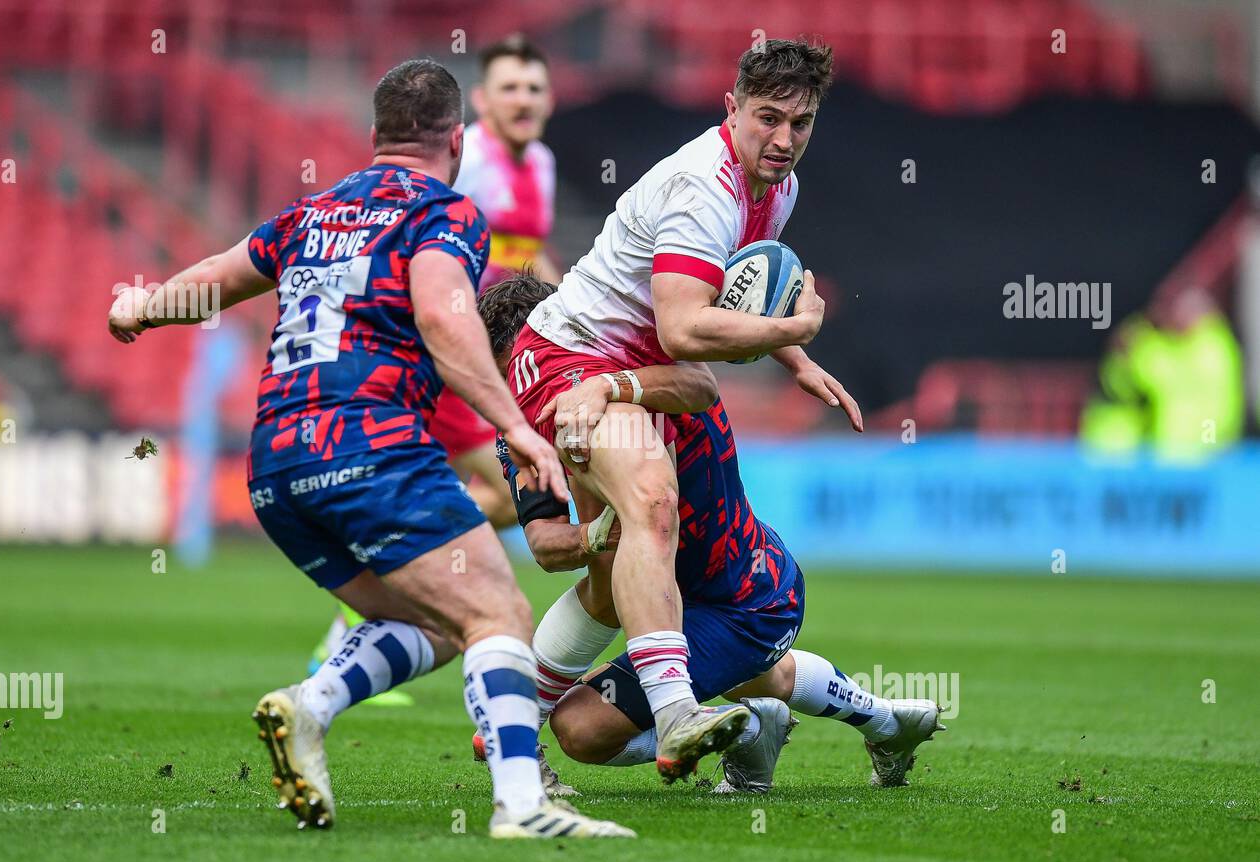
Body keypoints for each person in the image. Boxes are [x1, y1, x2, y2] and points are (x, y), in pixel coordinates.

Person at [107, 59, 631, 840]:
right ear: (456, 138)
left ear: (375, 136)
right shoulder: (444, 211)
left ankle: (310, 706)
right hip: (369, 440)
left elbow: (216, 279)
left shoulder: (310, 213)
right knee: (498, 614)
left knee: (434, 624)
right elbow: (445, 318)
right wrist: (518, 430)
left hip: (276, 463)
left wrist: (144, 304)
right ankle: (523, 806)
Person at [505, 38, 863, 782]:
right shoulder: (705, 187)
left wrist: (795, 359)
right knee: (652, 502)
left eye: (802, 124)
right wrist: (793, 330)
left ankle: (508, 725)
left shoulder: (777, 187)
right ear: (730, 108)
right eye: (768, 119)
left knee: (609, 569)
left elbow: (738, 293)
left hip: (623, 366)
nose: (785, 139)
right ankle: (674, 711)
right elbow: (682, 329)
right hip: (570, 357)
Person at [480, 274, 945, 795]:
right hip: (683, 603)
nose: (517, 400)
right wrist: (590, 536)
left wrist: (521, 710)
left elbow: (700, 372)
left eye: (518, 375)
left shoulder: (640, 384)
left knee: (581, 729)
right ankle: (887, 722)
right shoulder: (525, 424)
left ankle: (744, 733)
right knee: (760, 677)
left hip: (747, 600)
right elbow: (545, 543)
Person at [307, 35, 562, 681]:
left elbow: (527, 252)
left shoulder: (543, 165)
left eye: (533, 88)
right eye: (509, 88)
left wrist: (563, 310)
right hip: (444, 358)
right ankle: (380, 610)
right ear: (478, 103)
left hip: (484, 358)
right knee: (509, 488)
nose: (523, 99)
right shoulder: (463, 160)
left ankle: (369, 618)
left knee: (483, 495)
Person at [1081, 286, 1245, 461]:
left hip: (1190, 449)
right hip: (1195, 448)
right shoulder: (1218, 346)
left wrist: (1139, 340)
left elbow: (1159, 374)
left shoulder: (1208, 348)